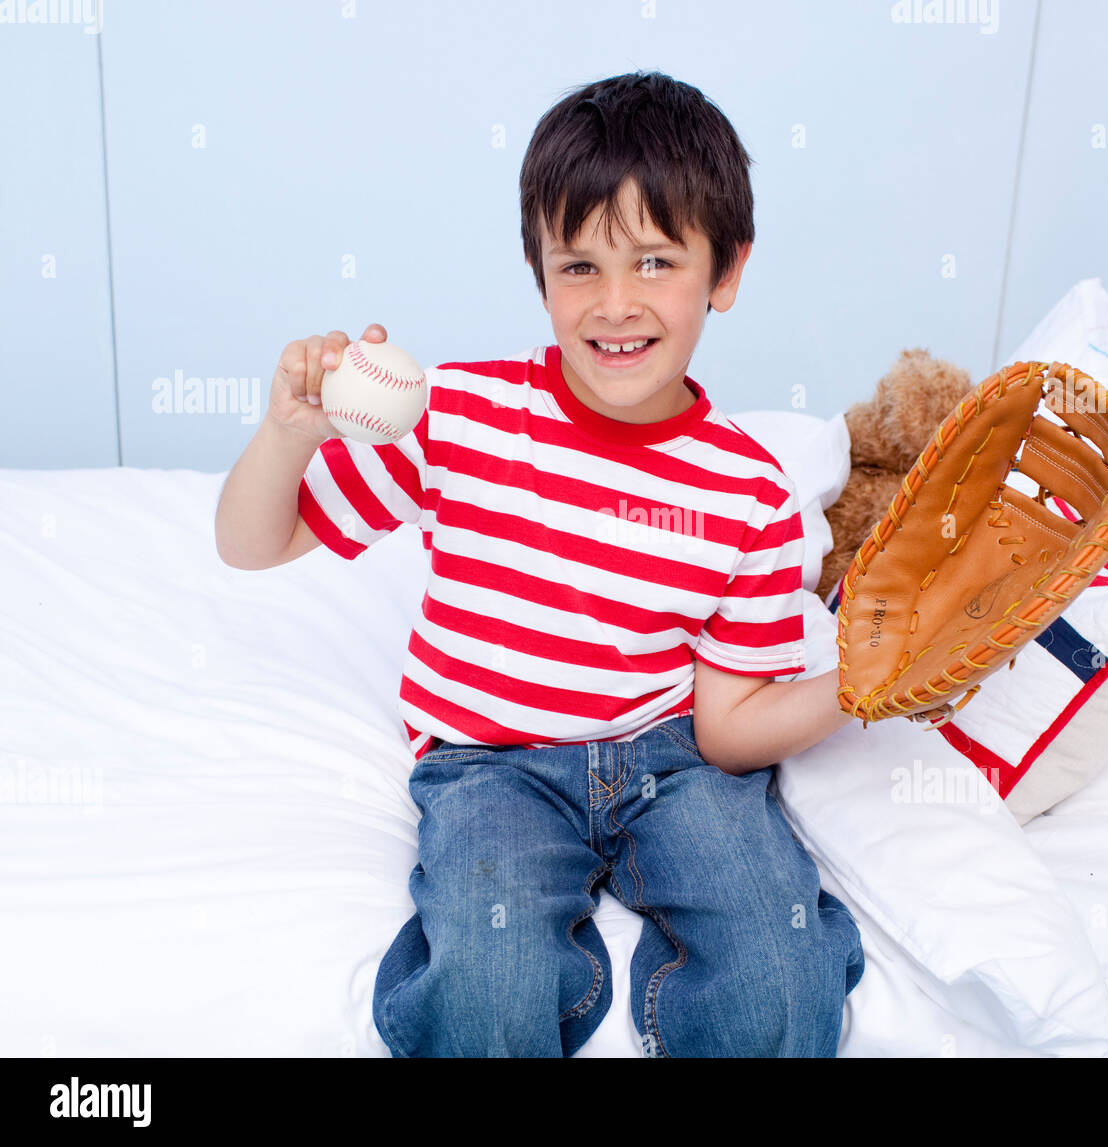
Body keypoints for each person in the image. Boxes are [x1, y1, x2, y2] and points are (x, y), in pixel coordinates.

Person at [215, 70, 864, 1058]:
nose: (615, 305)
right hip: (491, 767)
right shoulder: (459, 417)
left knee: (778, 979)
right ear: (538, 270)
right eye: (578, 267)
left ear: (724, 271)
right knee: (486, 983)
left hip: (671, 762)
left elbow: (731, 727)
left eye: (655, 261)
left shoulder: (750, 491)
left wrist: (861, 685)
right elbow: (251, 542)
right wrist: (287, 434)